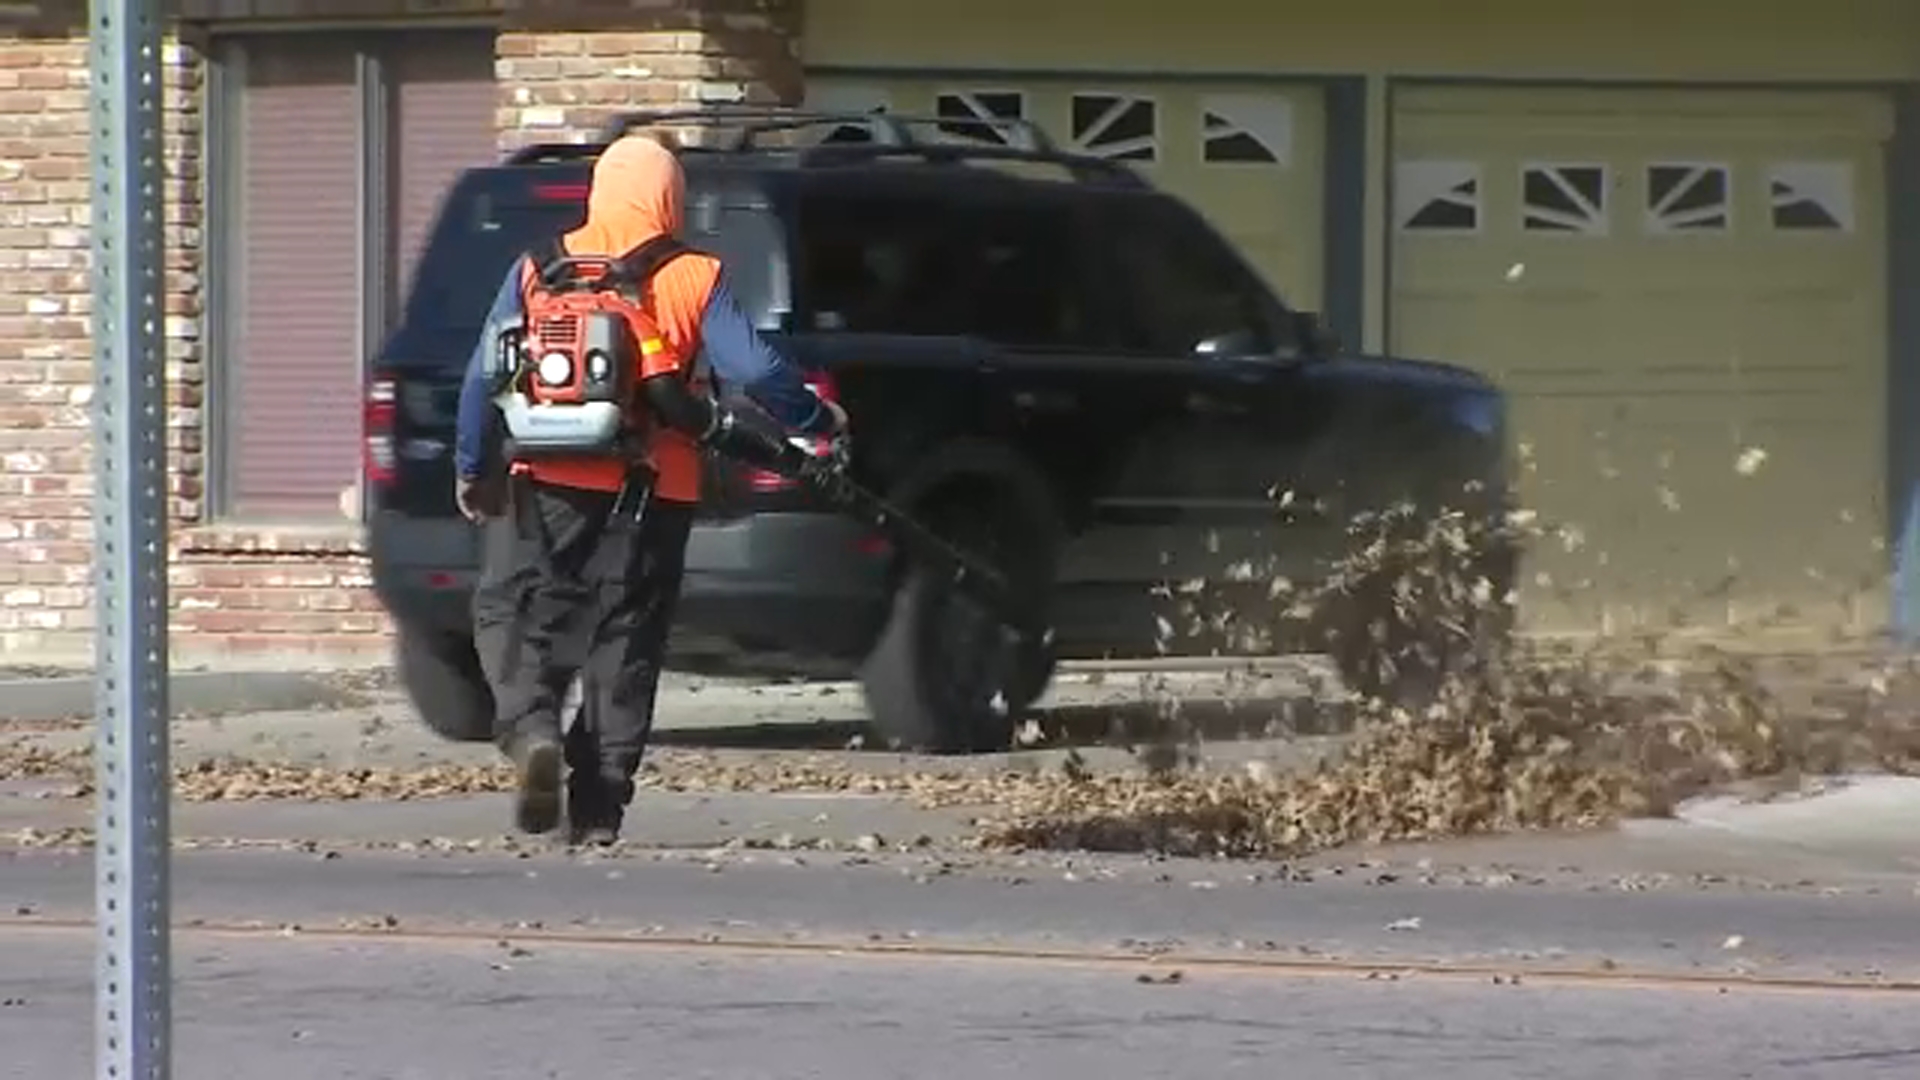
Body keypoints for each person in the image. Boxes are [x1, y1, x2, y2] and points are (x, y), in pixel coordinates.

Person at [451, 132, 846, 845]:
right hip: (654, 489)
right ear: (671, 196)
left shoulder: (539, 266)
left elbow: (484, 373)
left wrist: (471, 467)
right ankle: (597, 813)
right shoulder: (694, 273)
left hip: (541, 480)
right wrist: (814, 420)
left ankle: (532, 730)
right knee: (624, 645)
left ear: (599, 190)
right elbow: (753, 370)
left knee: (511, 614)